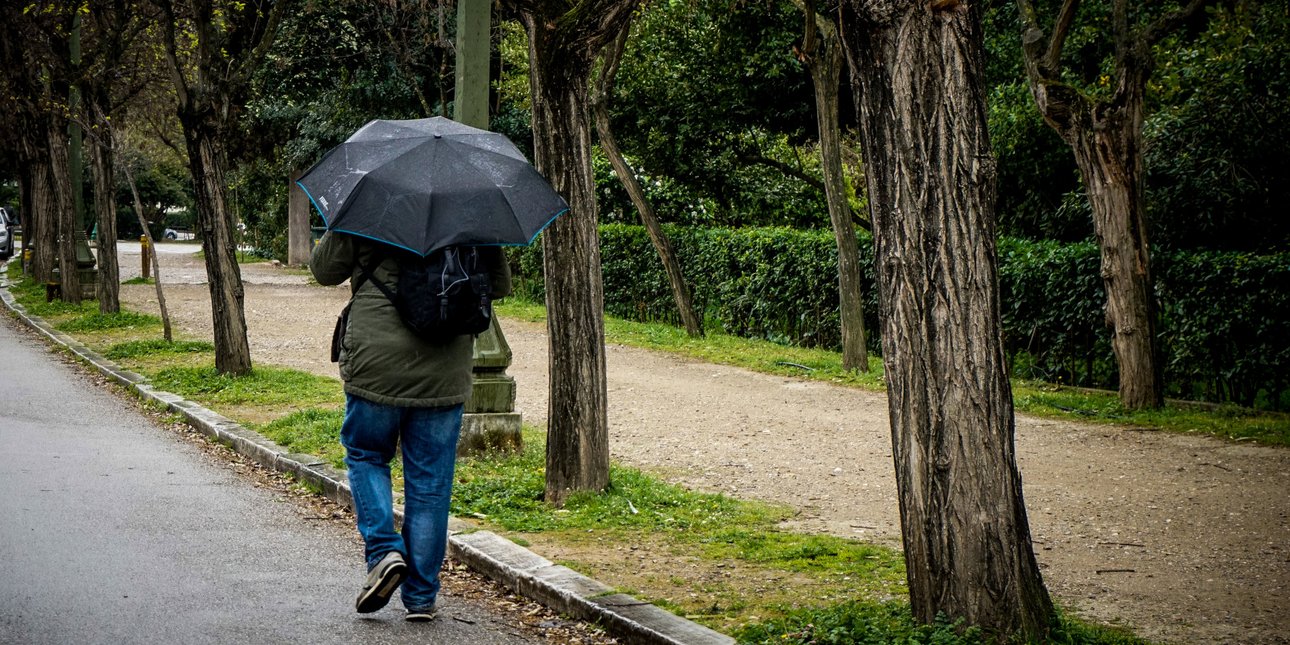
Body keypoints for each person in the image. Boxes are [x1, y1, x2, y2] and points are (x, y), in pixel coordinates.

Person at [310, 231, 511, 621]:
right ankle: (420, 597)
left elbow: (324, 270)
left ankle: (384, 550)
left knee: (367, 454)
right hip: (444, 363)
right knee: (431, 482)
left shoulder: (369, 208)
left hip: (376, 360)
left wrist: (342, 226)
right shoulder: (470, 214)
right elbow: (499, 285)